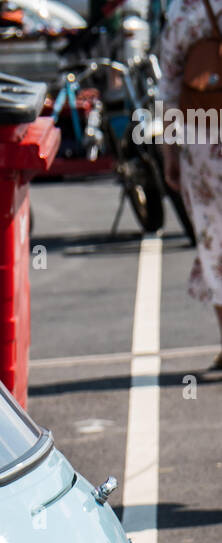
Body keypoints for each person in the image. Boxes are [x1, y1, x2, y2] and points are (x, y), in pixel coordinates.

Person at [160, 0, 222, 369]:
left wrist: (168, 150)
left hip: (204, 148)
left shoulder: (185, 11)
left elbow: (168, 86)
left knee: (216, 244)